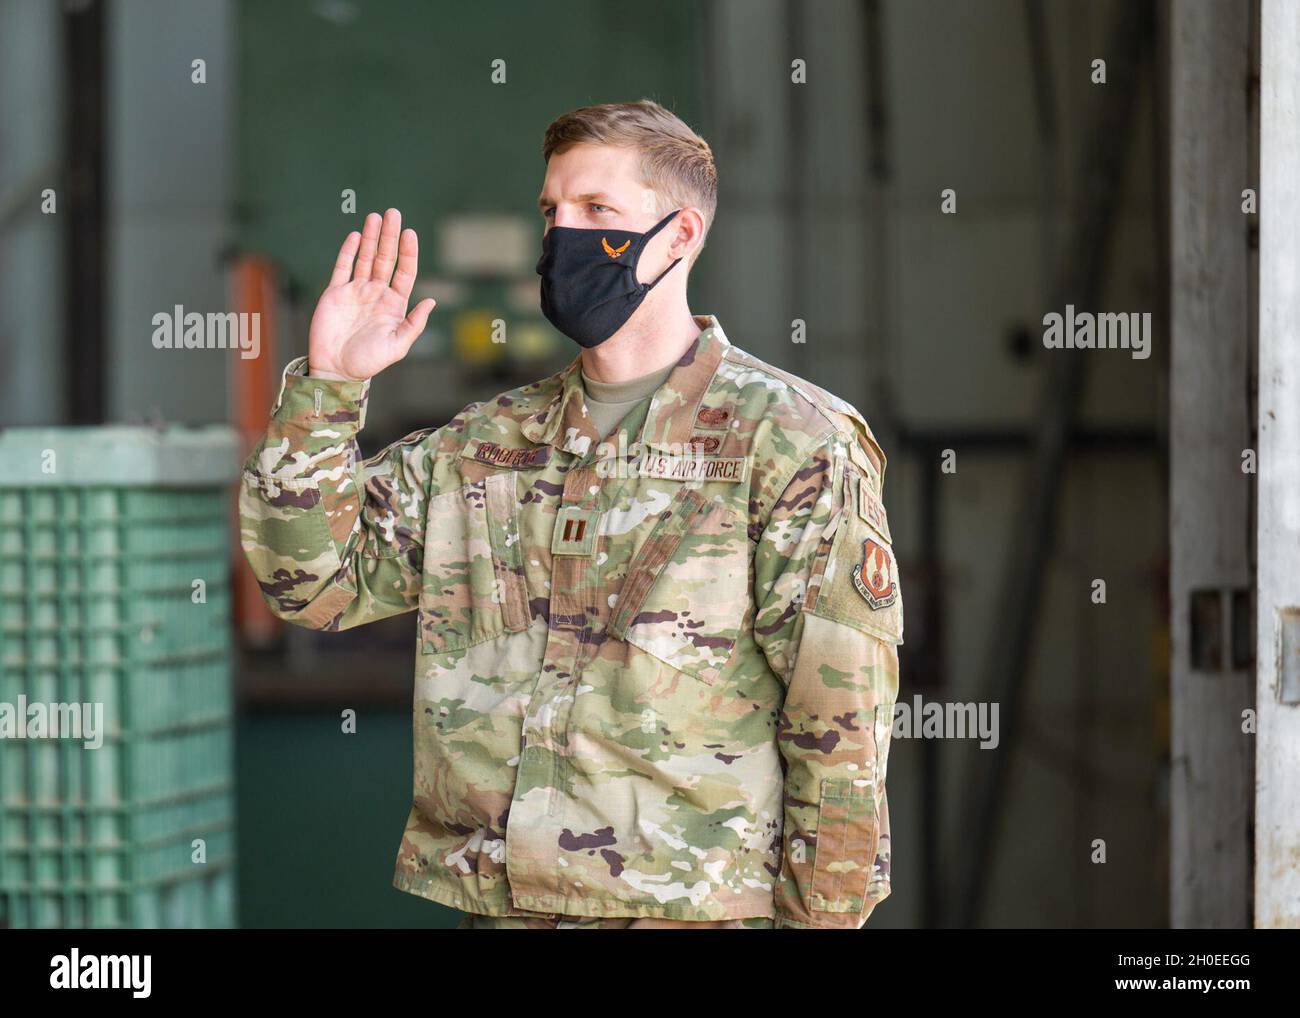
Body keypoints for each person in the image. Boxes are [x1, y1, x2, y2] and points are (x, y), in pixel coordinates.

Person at [239, 99, 903, 929]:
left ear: (681, 235)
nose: (565, 237)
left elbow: (838, 727)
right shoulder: (486, 444)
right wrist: (330, 388)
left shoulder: (790, 442)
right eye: (553, 211)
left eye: (599, 211)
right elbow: (314, 583)